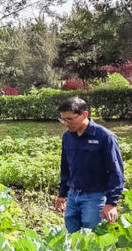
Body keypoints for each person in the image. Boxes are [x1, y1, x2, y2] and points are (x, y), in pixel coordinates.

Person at [53, 96, 125, 232]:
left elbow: (116, 172)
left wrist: (111, 203)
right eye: (63, 119)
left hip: (96, 197)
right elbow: (65, 168)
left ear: (84, 114)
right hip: (73, 196)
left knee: (93, 240)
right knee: (72, 239)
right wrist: (62, 194)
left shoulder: (105, 137)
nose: (66, 123)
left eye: (70, 119)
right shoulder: (67, 137)